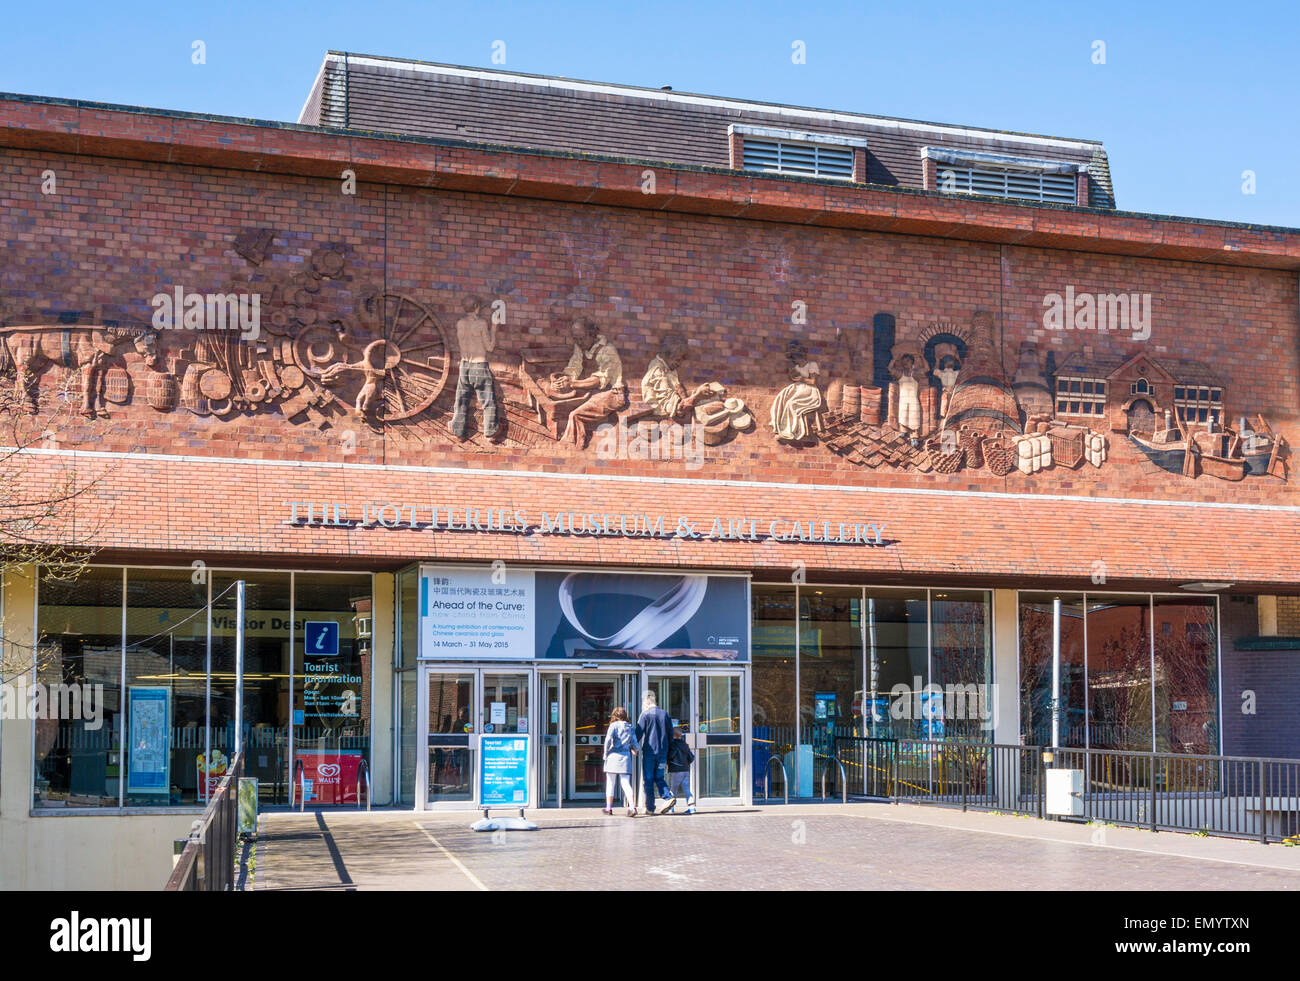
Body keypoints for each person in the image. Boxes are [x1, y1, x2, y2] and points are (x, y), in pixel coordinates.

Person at [560, 318, 627, 447]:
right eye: (576, 339)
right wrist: (565, 378)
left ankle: (573, 447)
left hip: (612, 394)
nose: (579, 342)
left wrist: (573, 384)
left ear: (592, 334)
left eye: (582, 338)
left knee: (575, 415)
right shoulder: (581, 346)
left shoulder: (607, 351)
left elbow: (598, 380)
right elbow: (574, 366)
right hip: (592, 391)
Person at [450, 294, 500, 440]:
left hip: (464, 366)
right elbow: (490, 347)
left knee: (461, 400)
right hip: (479, 365)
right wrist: (494, 328)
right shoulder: (481, 323)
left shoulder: (460, 323)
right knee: (488, 400)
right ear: (477, 307)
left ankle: (458, 431)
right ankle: (490, 431)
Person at [634, 690, 672, 814]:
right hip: (663, 751)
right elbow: (670, 734)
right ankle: (668, 797)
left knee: (649, 779)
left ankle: (650, 807)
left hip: (649, 752)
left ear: (646, 703)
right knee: (659, 777)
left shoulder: (645, 715)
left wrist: (632, 747)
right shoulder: (665, 714)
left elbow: (638, 733)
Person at [602, 706, 638, 816]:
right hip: (625, 756)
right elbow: (635, 743)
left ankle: (609, 808)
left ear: (615, 716)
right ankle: (632, 807)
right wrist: (634, 749)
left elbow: (608, 740)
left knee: (610, 783)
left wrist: (605, 753)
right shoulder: (630, 727)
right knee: (625, 783)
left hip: (613, 755)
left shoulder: (613, 726)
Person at [661, 726, 696, 815]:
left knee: (673, 789)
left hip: (677, 770)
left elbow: (670, 756)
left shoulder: (672, 745)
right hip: (685, 769)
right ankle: (692, 807)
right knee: (686, 788)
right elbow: (691, 757)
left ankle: (671, 808)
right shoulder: (685, 744)